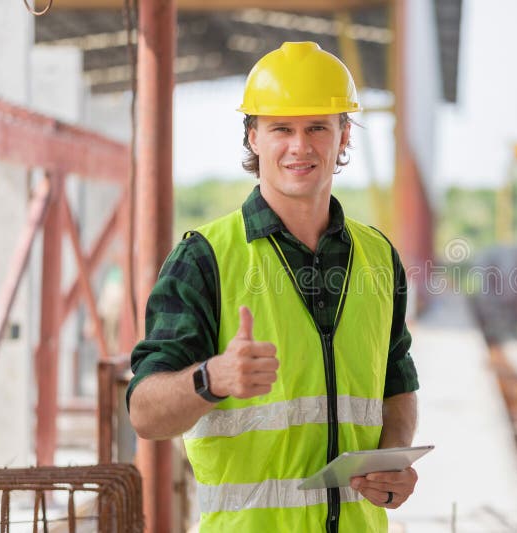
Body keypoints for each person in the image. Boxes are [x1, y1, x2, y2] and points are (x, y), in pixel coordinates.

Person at [127, 41, 420, 531]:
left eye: (317, 128)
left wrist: (392, 461)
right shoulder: (205, 258)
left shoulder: (378, 258)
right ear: (253, 136)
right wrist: (211, 378)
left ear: (344, 136)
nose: (299, 146)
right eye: (281, 128)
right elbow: (144, 412)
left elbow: (397, 379)